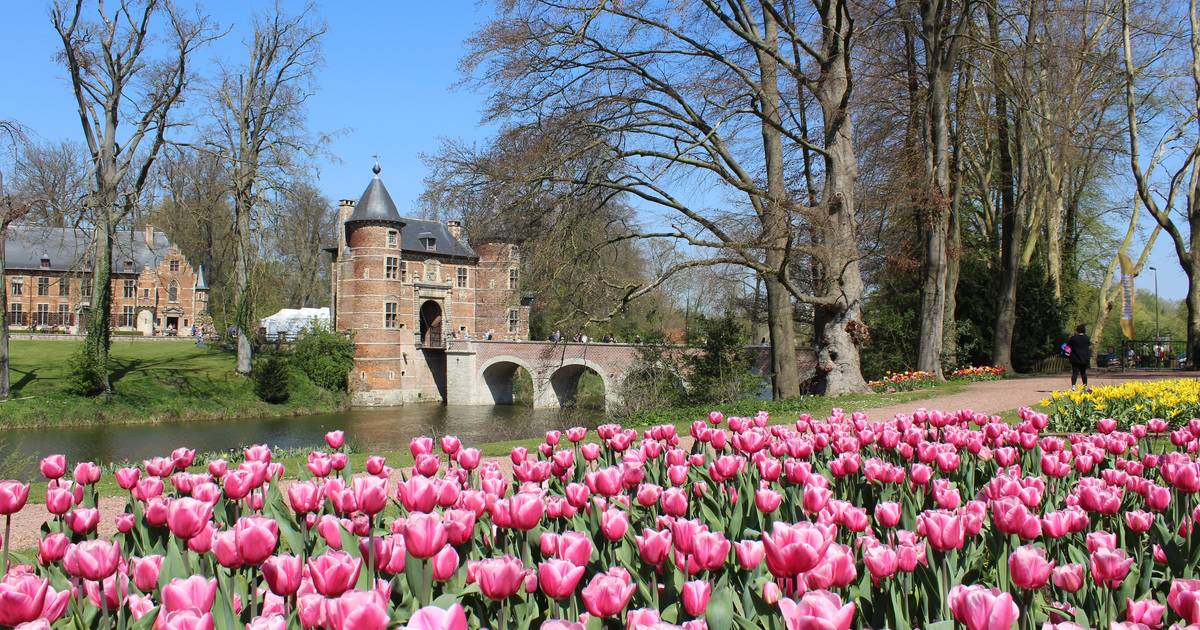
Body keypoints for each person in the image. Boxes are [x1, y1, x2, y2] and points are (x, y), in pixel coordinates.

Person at [1066, 324, 1091, 389]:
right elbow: (1088, 346)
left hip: (1075, 358)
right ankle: (1085, 386)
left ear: (1077, 330)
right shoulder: (1087, 338)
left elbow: (1067, 347)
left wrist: (1067, 353)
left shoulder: (1073, 338)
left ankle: (1073, 386)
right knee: (1083, 373)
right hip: (1084, 358)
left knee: (1075, 373)